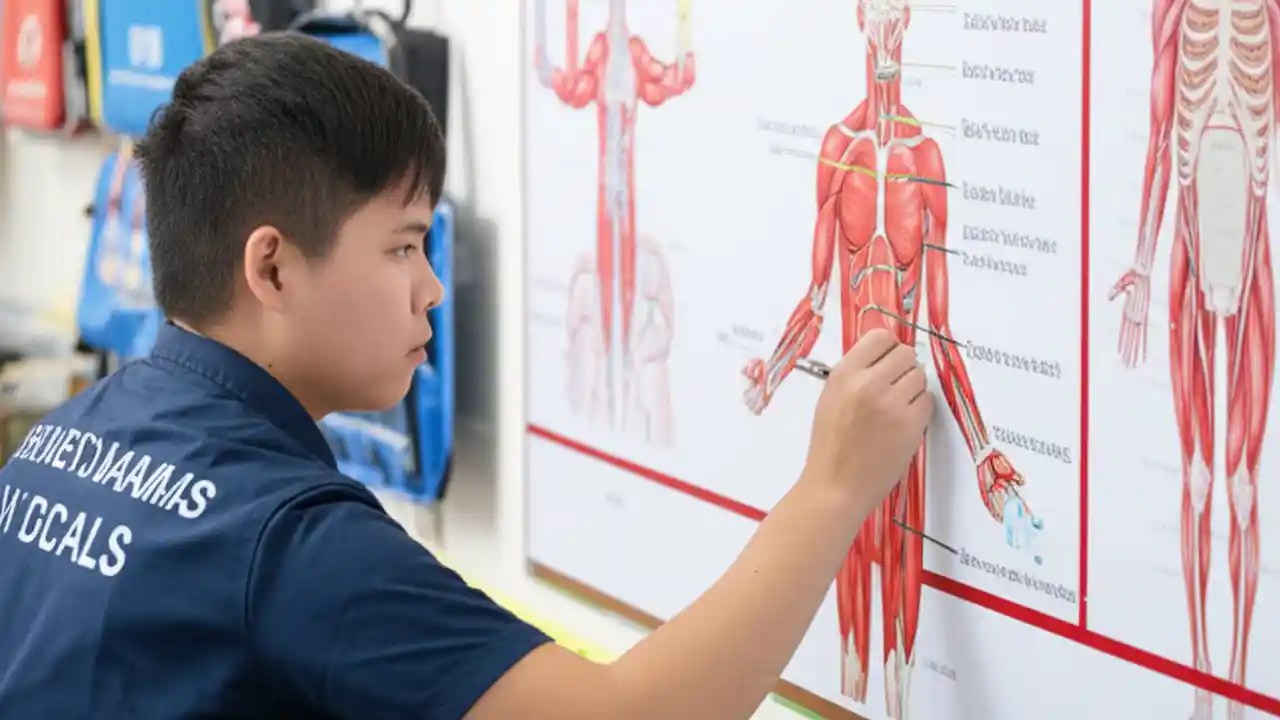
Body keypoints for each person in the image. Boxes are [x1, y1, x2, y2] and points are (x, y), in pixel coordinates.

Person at [0, 33, 933, 719]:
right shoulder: (289, 542)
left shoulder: (64, 439)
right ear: (272, 268)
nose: (433, 288)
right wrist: (832, 487)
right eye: (403, 246)